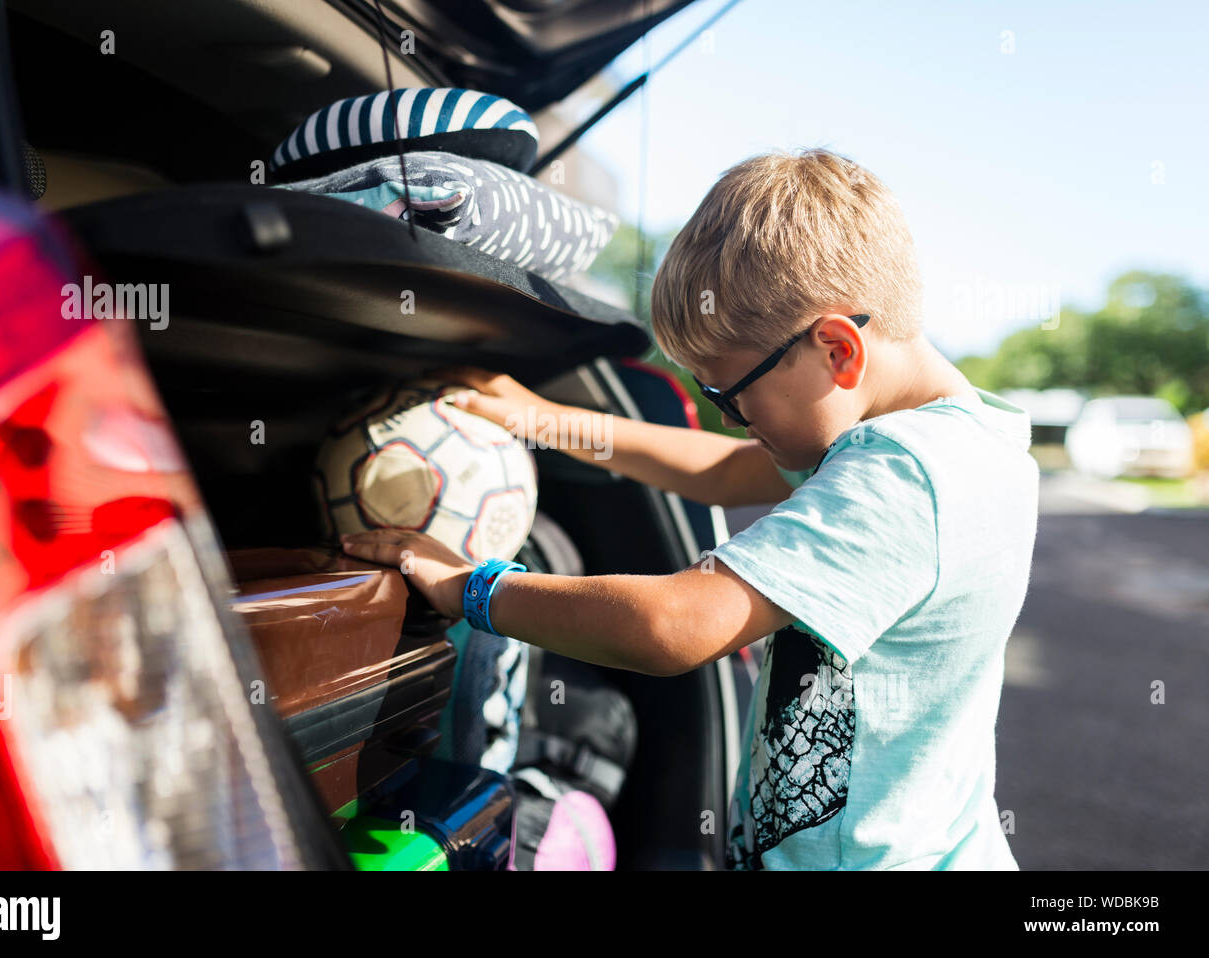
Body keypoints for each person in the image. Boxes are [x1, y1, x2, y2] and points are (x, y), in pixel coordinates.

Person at [339, 148, 1037, 871]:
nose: (732, 420)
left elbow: (674, 624)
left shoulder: (903, 477)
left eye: (729, 394)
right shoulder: (961, 449)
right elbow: (727, 469)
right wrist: (549, 420)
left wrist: (472, 588)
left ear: (837, 349)